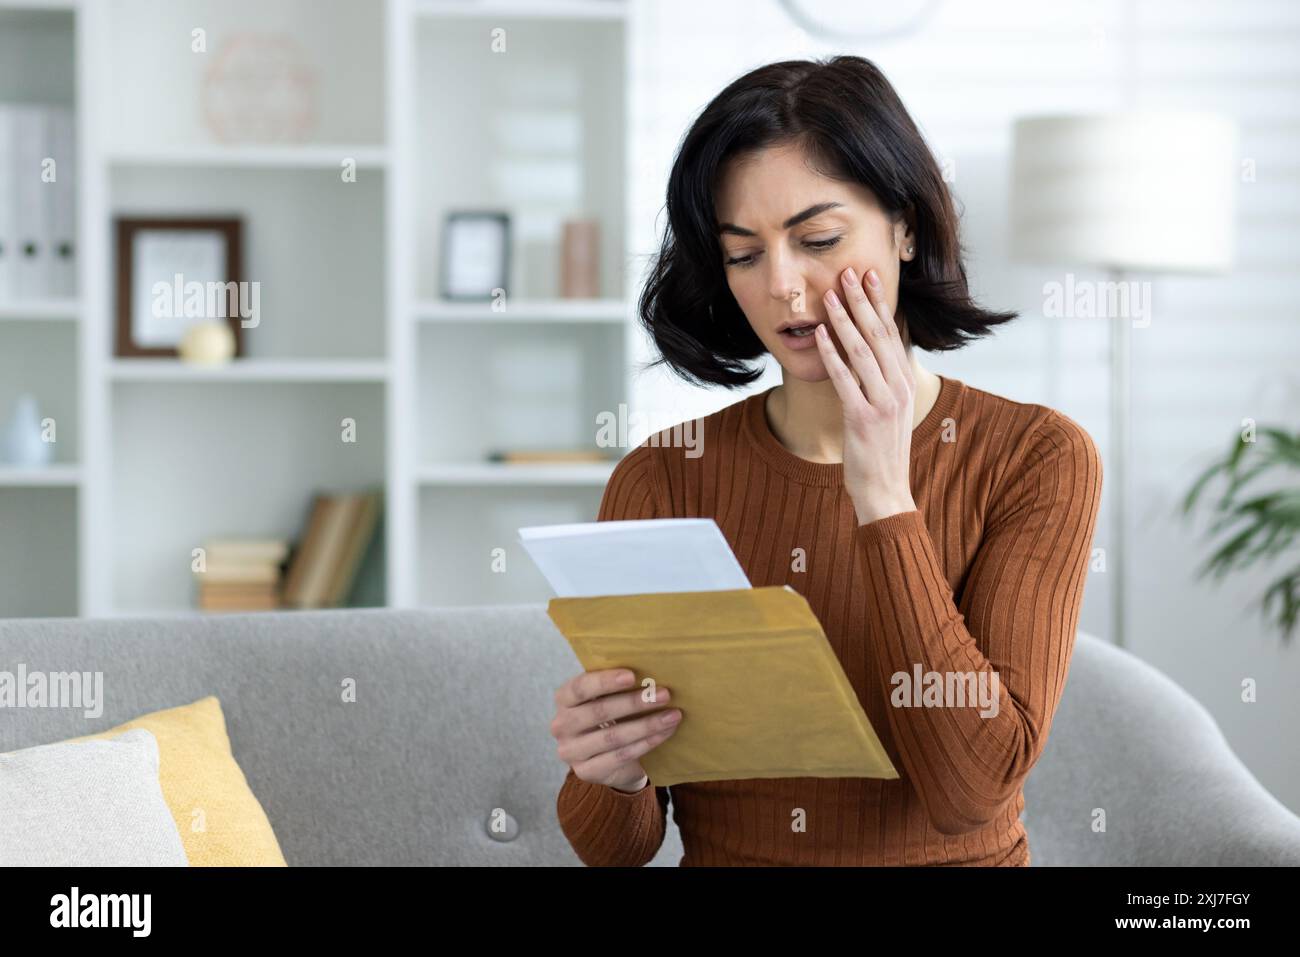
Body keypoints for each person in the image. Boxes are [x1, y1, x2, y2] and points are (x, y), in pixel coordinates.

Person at [549, 54, 1102, 866]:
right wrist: (616, 771)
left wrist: (883, 491)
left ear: (906, 226)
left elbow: (969, 791)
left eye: (818, 239)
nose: (783, 285)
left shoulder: (1035, 458)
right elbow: (616, 850)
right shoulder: (665, 476)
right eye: (743, 254)